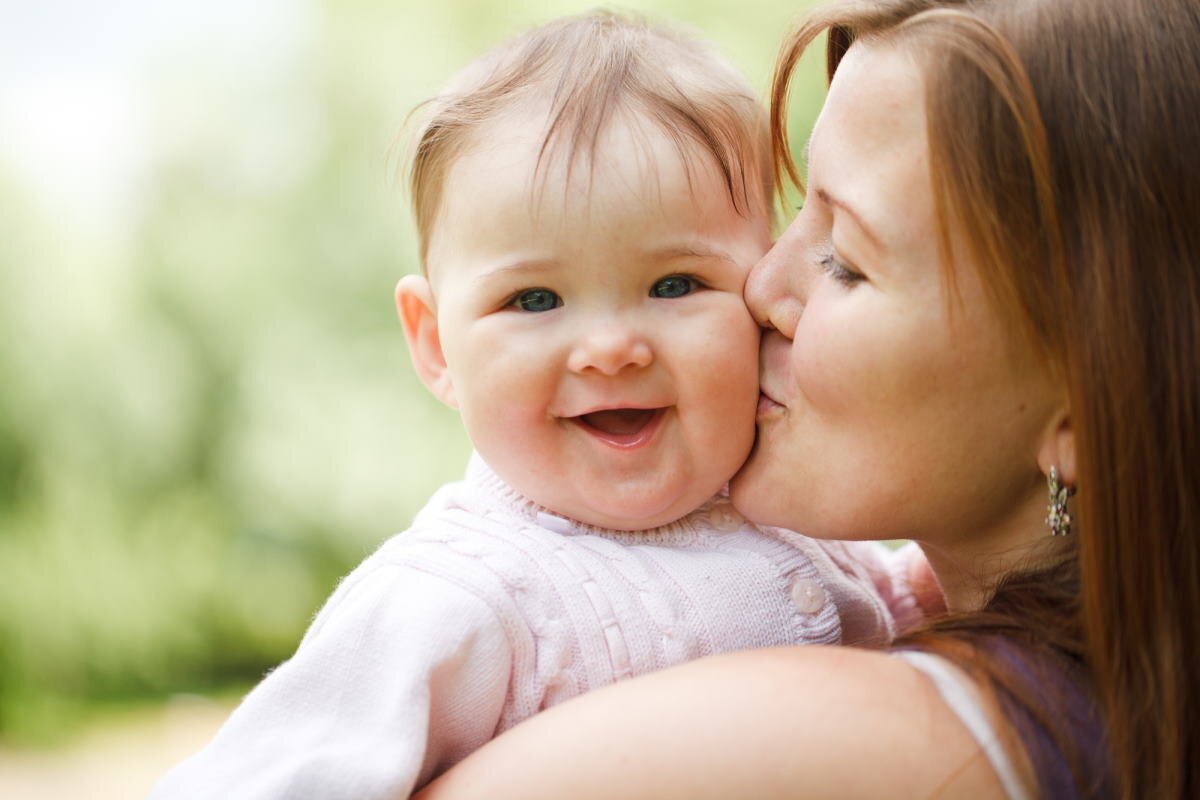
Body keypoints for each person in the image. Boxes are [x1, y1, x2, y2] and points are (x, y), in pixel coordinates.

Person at [414, 0, 1200, 798]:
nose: (757, 286)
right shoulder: (1131, 700)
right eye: (798, 216)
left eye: (846, 262)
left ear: (1086, 414)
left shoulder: (888, 742)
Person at [148, 12, 929, 800]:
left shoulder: (790, 510)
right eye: (535, 298)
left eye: (675, 285)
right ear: (436, 346)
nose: (611, 348)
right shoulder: (457, 595)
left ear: (760, 289)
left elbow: (920, 607)